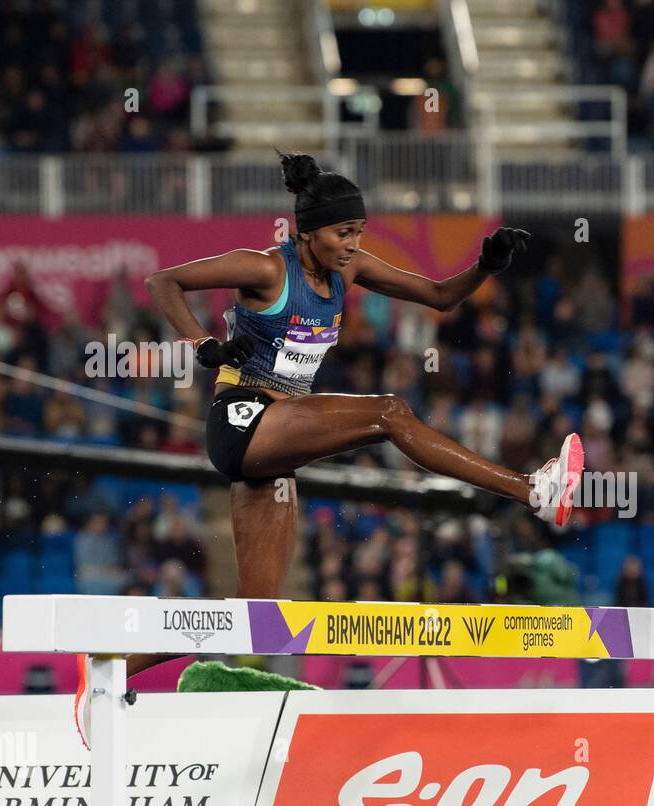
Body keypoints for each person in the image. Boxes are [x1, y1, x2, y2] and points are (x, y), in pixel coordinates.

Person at [73, 152, 583, 746]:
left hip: (279, 435)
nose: (351, 244)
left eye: (358, 232)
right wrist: (204, 343)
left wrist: (485, 268)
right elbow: (164, 281)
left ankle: (108, 670)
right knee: (390, 412)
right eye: (342, 233)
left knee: (254, 615)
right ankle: (532, 491)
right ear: (306, 232)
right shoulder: (265, 269)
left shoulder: (350, 268)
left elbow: (441, 297)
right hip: (243, 420)